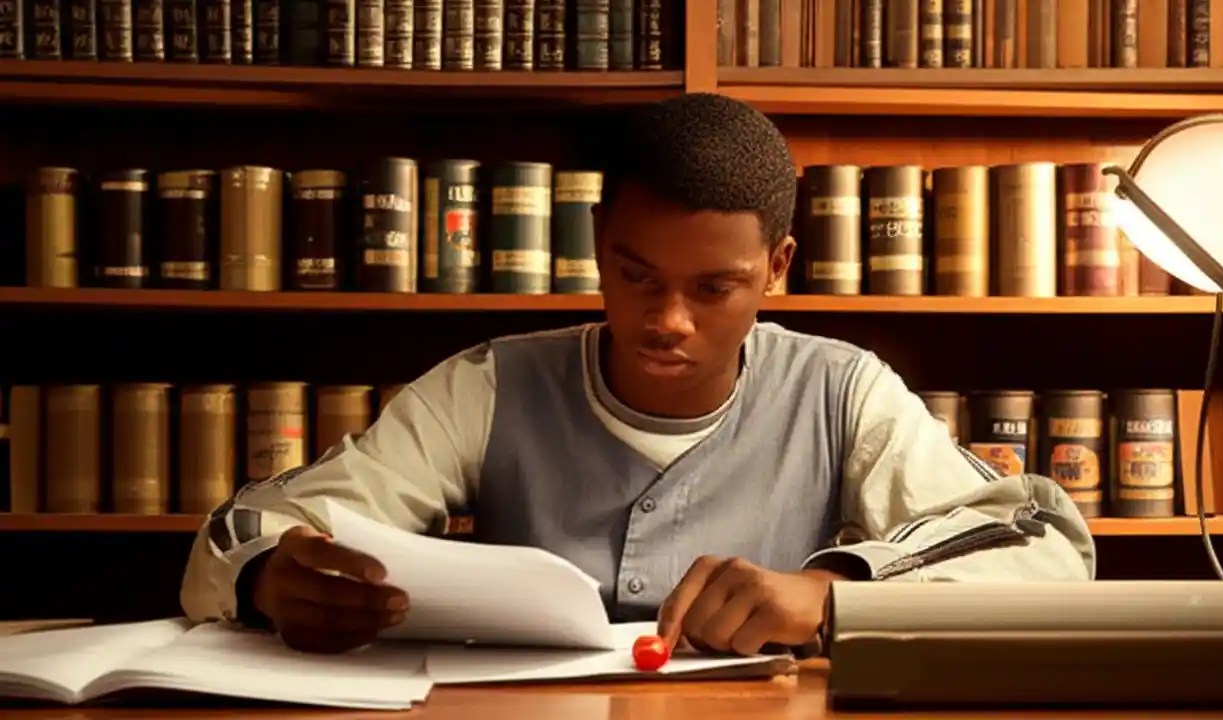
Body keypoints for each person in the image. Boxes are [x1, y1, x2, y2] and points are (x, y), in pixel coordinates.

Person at [179, 93, 1095, 656]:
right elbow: (242, 530)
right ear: (596, 243)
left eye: (714, 288)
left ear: (777, 267)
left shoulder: (844, 390)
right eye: (638, 276)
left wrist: (832, 598)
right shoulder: (487, 385)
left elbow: (1050, 546)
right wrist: (266, 579)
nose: (668, 321)